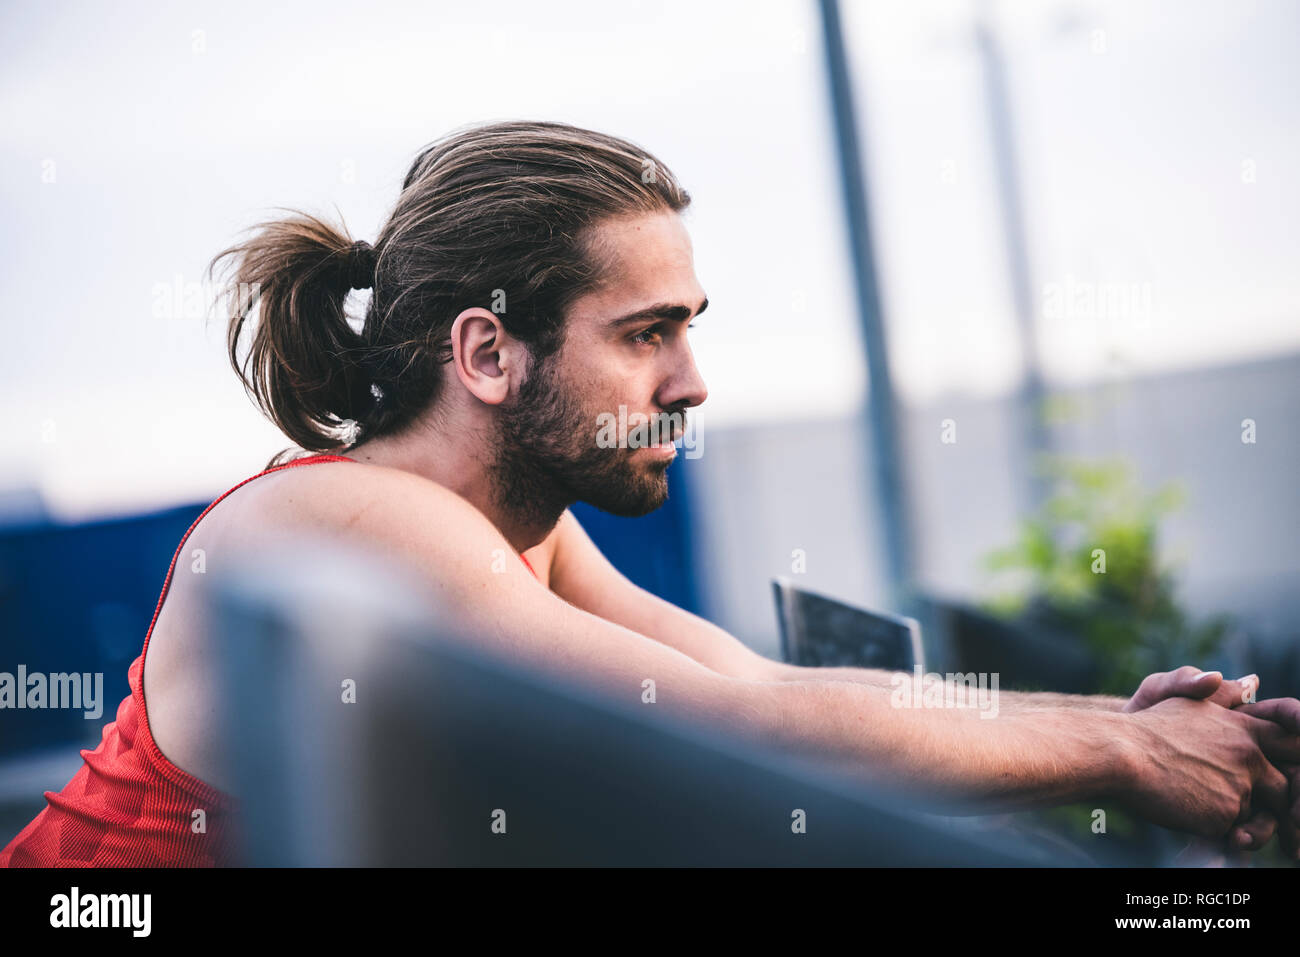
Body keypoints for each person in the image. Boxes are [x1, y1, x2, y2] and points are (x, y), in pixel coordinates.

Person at [4, 120, 1297, 867]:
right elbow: (755, 730)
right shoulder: (343, 515)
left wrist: (1121, 724)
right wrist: (1126, 752)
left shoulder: (524, 535)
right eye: (646, 333)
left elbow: (761, 697)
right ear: (488, 352)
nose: (691, 382)